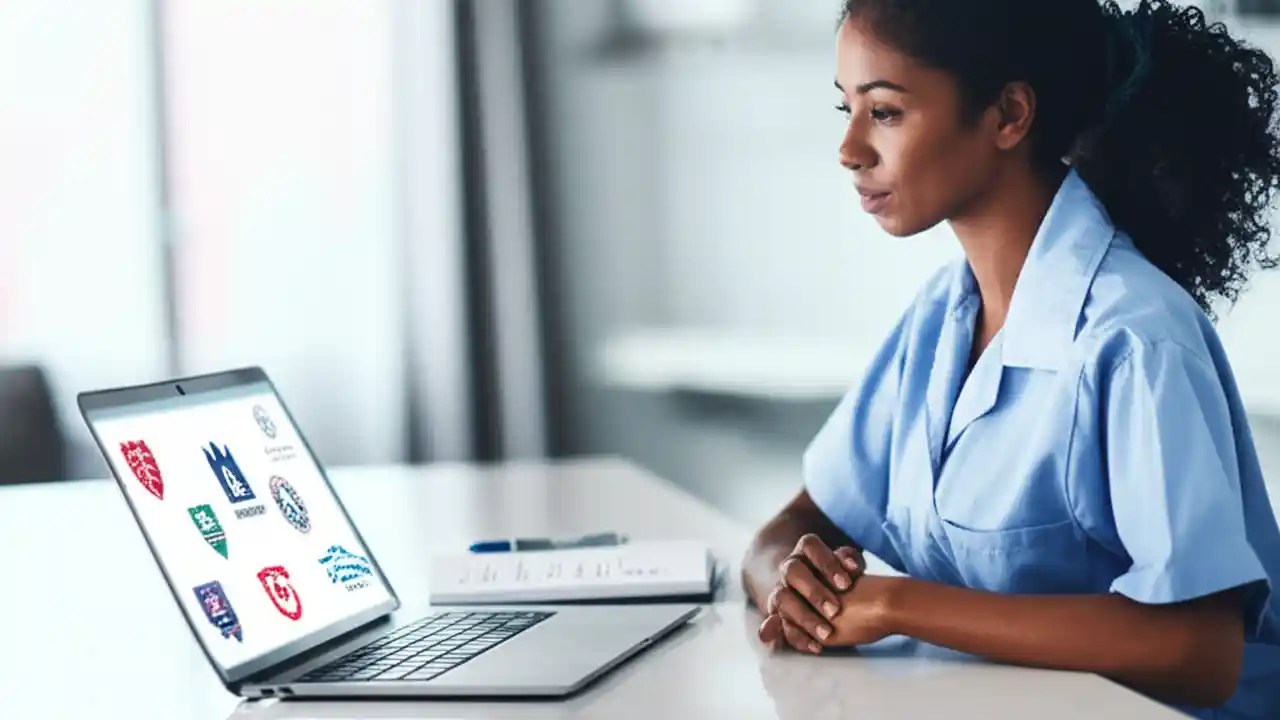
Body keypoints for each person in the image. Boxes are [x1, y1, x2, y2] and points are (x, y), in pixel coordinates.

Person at [740, 1, 1280, 716]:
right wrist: (797, 582)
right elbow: (792, 526)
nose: (849, 148)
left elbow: (1199, 651)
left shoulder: (1133, 339)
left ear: (1008, 115)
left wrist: (896, 603)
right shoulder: (939, 318)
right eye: (847, 107)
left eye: (887, 112)